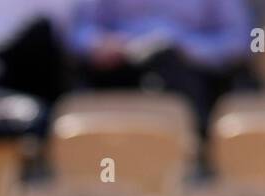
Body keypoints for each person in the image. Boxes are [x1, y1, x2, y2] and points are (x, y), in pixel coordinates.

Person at [70, 0, 254, 134]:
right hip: (121, 68)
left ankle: (192, 148)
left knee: (169, 63)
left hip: (190, 75)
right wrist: (99, 44)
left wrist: (187, 50)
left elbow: (237, 41)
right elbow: (79, 31)